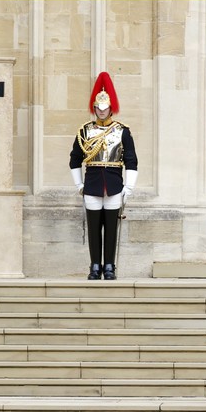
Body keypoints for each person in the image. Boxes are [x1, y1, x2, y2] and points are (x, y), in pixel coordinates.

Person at [71, 71, 138, 281]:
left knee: (111, 227)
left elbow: (131, 160)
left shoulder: (122, 131)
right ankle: (94, 265)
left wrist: (129, 187)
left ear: (111, 108)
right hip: (91, 184)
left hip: (114, 185)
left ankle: (109, 265)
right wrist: (78, 184)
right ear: (94, 108)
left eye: (105, 107)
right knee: (93, 228)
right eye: (98, 108)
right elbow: (75, 159)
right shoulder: (84, 131)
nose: (101, 111)